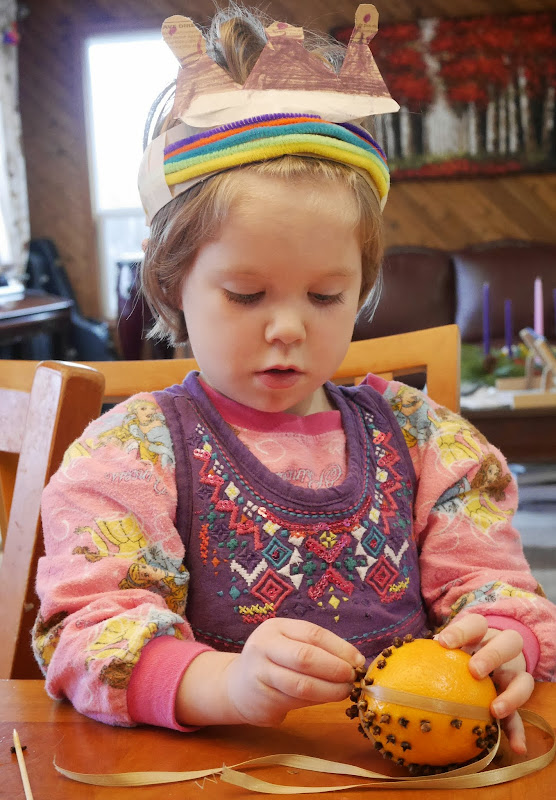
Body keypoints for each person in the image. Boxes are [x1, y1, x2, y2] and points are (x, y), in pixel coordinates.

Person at [35, 3, 555, 758]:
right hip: (220, 768)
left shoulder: (424, 436)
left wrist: (504, 637)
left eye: (325, 295)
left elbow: (495, 586)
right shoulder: (131, 453)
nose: (288, 327)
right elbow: (88, 632)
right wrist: (224, 684)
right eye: (247, 294)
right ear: (174, 283)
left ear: (362, 287)